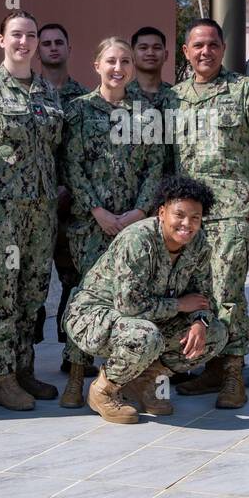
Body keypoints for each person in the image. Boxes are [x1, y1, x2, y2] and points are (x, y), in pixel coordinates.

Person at [167, 19, 249, 408]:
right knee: (198, 292)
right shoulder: (173, 99)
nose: (205, 52)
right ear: (186, 51)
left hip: (235, 209)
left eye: (212, 45)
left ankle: (233, 371)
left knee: (226, 289)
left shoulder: (246, 91)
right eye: (197, 45)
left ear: (222, 48)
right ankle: (212, 367)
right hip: (189, 216)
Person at [0, 11, 66, 410]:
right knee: (2, 293)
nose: (24, 42)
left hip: (40, 214)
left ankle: (24, 369)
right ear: (1, 39)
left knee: (33, 293)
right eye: (16, 35)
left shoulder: (46, 91)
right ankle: (2, 376)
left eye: (31, 36)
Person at [65, 176, 229, 424]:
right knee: (145, 337)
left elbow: (204, 297)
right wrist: (180, 305)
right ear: (162, 213)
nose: (187, 224)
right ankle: (103, 390)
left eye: (195, 218)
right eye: (179, 215)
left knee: (215, 333)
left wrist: (200, 323)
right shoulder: (138, 240)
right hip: (94, 316)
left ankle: (142, 380)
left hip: (147, 318)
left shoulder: (199, 245)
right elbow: (129, 305)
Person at [58, 37, 166, 407]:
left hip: (134, 224)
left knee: (130, 297)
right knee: (86, 297)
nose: (117, 68)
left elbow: (155, 167)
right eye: (110, 61)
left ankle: (123, 379)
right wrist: (96, 211)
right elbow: (71, 166)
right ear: (96, 66)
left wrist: (138, 212)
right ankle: (76, 375)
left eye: (124, 61)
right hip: (91, 224)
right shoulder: (78, 111)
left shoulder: (146, 113)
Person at [35, 22, 89, 362]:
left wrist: (69, 189)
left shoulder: (82, 99)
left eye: (59, 42)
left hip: (73, 206)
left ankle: (73, 356)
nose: (53, 48)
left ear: (69, 49)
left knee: (75, 280)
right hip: (34, 207)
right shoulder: (29, 92)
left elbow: (86, 153)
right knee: (31, 281)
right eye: (46, 43)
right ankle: (21, 361)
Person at [126, 25, 174, 111]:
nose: (150, 53)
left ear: (166, 55)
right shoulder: (122, 96)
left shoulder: (177, 96)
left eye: (157, 48)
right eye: (143, 48)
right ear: (132, 55)